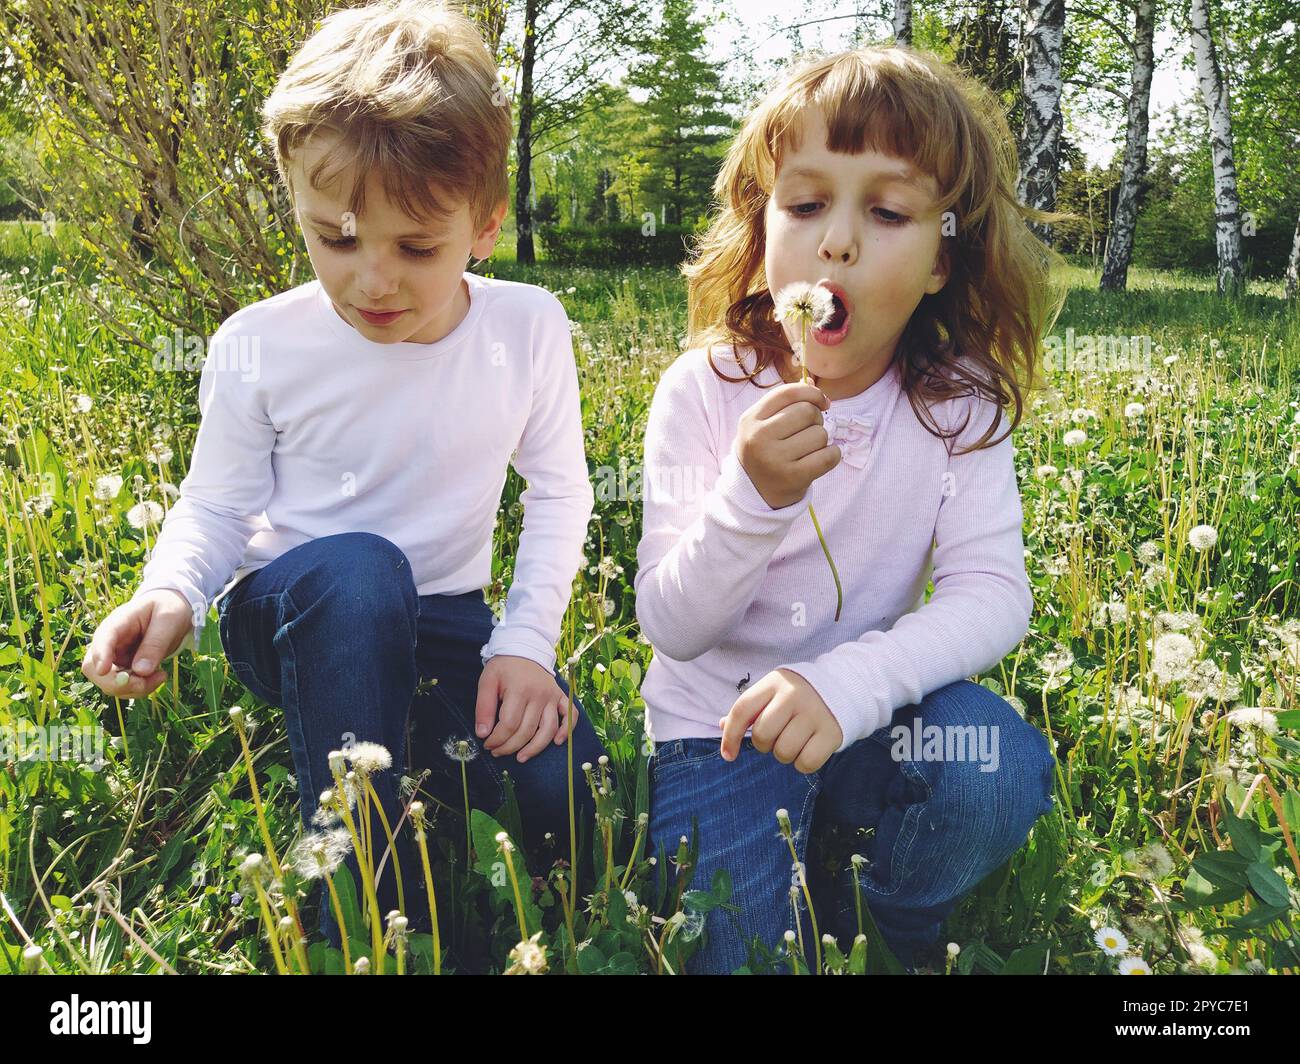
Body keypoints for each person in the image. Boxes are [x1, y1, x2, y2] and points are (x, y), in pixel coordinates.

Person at [80, 0, 607, 947]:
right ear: (295, 201)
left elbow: (562, 492)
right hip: (294, 610)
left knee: (572, 801)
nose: (373, 282)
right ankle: (374, 907)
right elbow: (219, 500)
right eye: (337, 238)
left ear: (486, 225)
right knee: (361, 572)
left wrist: (524, 644)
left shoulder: (527, 329)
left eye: (417, 248)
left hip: (447, 621)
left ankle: (416, 766)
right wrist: (170, 590)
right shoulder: (260, 343)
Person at [635, 44, 1067, 974]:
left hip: (869, 719)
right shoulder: (705, 390)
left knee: (995, 769)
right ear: (762, 236)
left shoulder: (957, 403)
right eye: (805, 204)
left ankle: (894, 916)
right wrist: (753, 499)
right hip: (717, 734)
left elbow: (994, 592)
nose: (837, 240)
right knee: (740, 958)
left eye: (886, 211)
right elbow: (672, 625)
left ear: (942, 260)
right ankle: (798, 869)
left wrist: (850, 686)